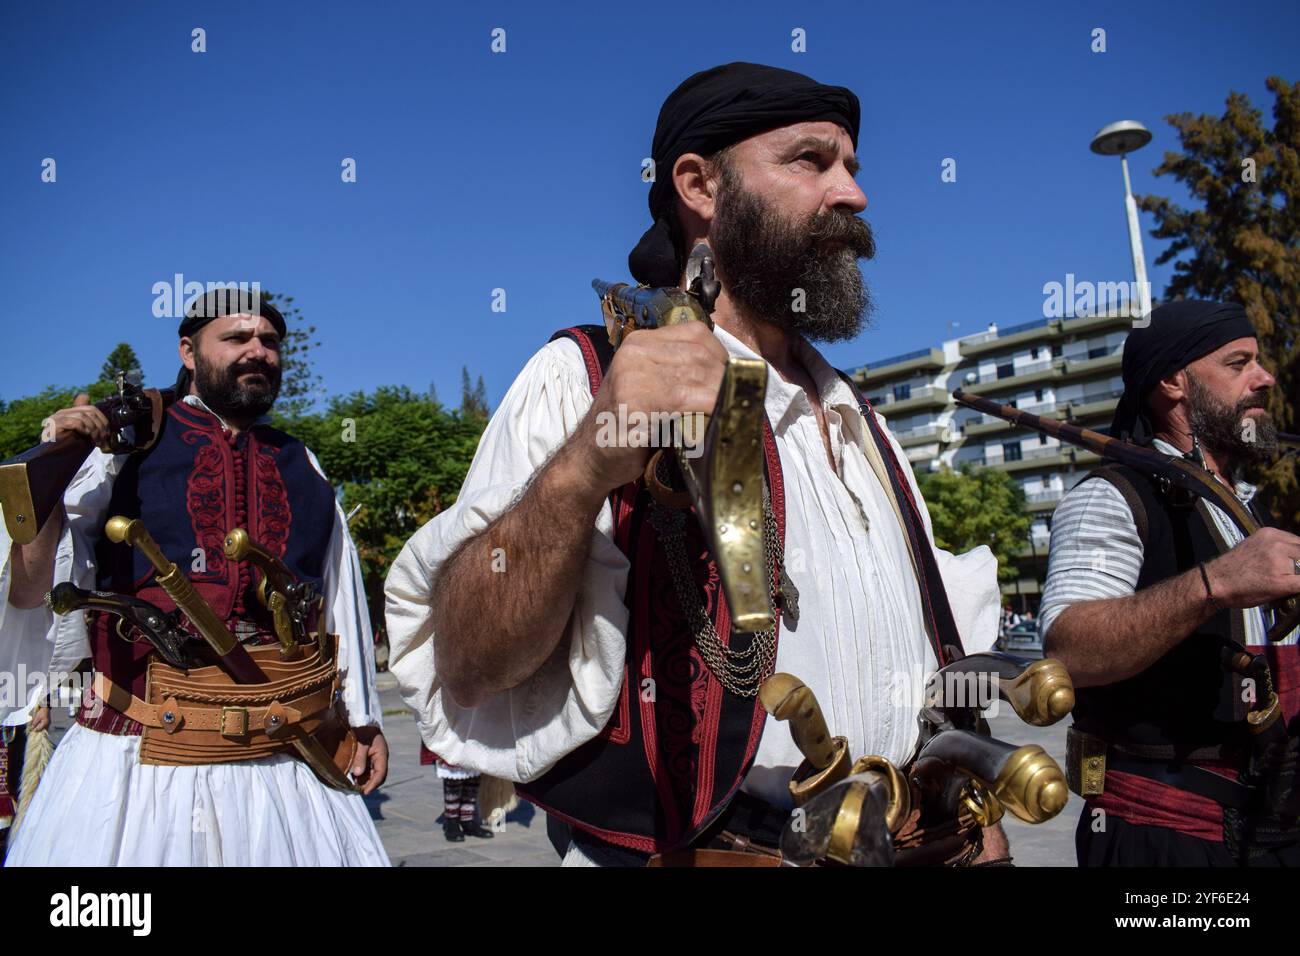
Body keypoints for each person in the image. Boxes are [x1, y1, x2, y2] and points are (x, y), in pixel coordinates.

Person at [385, 62, 1004, 866]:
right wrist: (584, 467)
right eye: (810, 161)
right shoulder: (582, 377)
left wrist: (985, 834)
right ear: (699, 186)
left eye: (851, 167)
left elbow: (935, 656)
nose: (852, 195)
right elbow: (468, 663)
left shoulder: (863, 423)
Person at [2, 289, 390, 866]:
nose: (258, 351)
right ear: (188, 351)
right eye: (236, 338)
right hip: (136, 765)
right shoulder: (121, 448)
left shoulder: (302, 464)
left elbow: (340, 602)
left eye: (270, 342)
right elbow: (32, 590)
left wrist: (364, 718)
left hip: (285, 765)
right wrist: (55, 466)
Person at [1041, 300, 1300, 866]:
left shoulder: (1249, 508)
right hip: (1163, 838)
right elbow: (1067, 651)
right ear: (1172, 381)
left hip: (1272, 829)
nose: (1265, 378)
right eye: (1238, 364)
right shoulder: (1110, 498)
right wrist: (1216, 582)